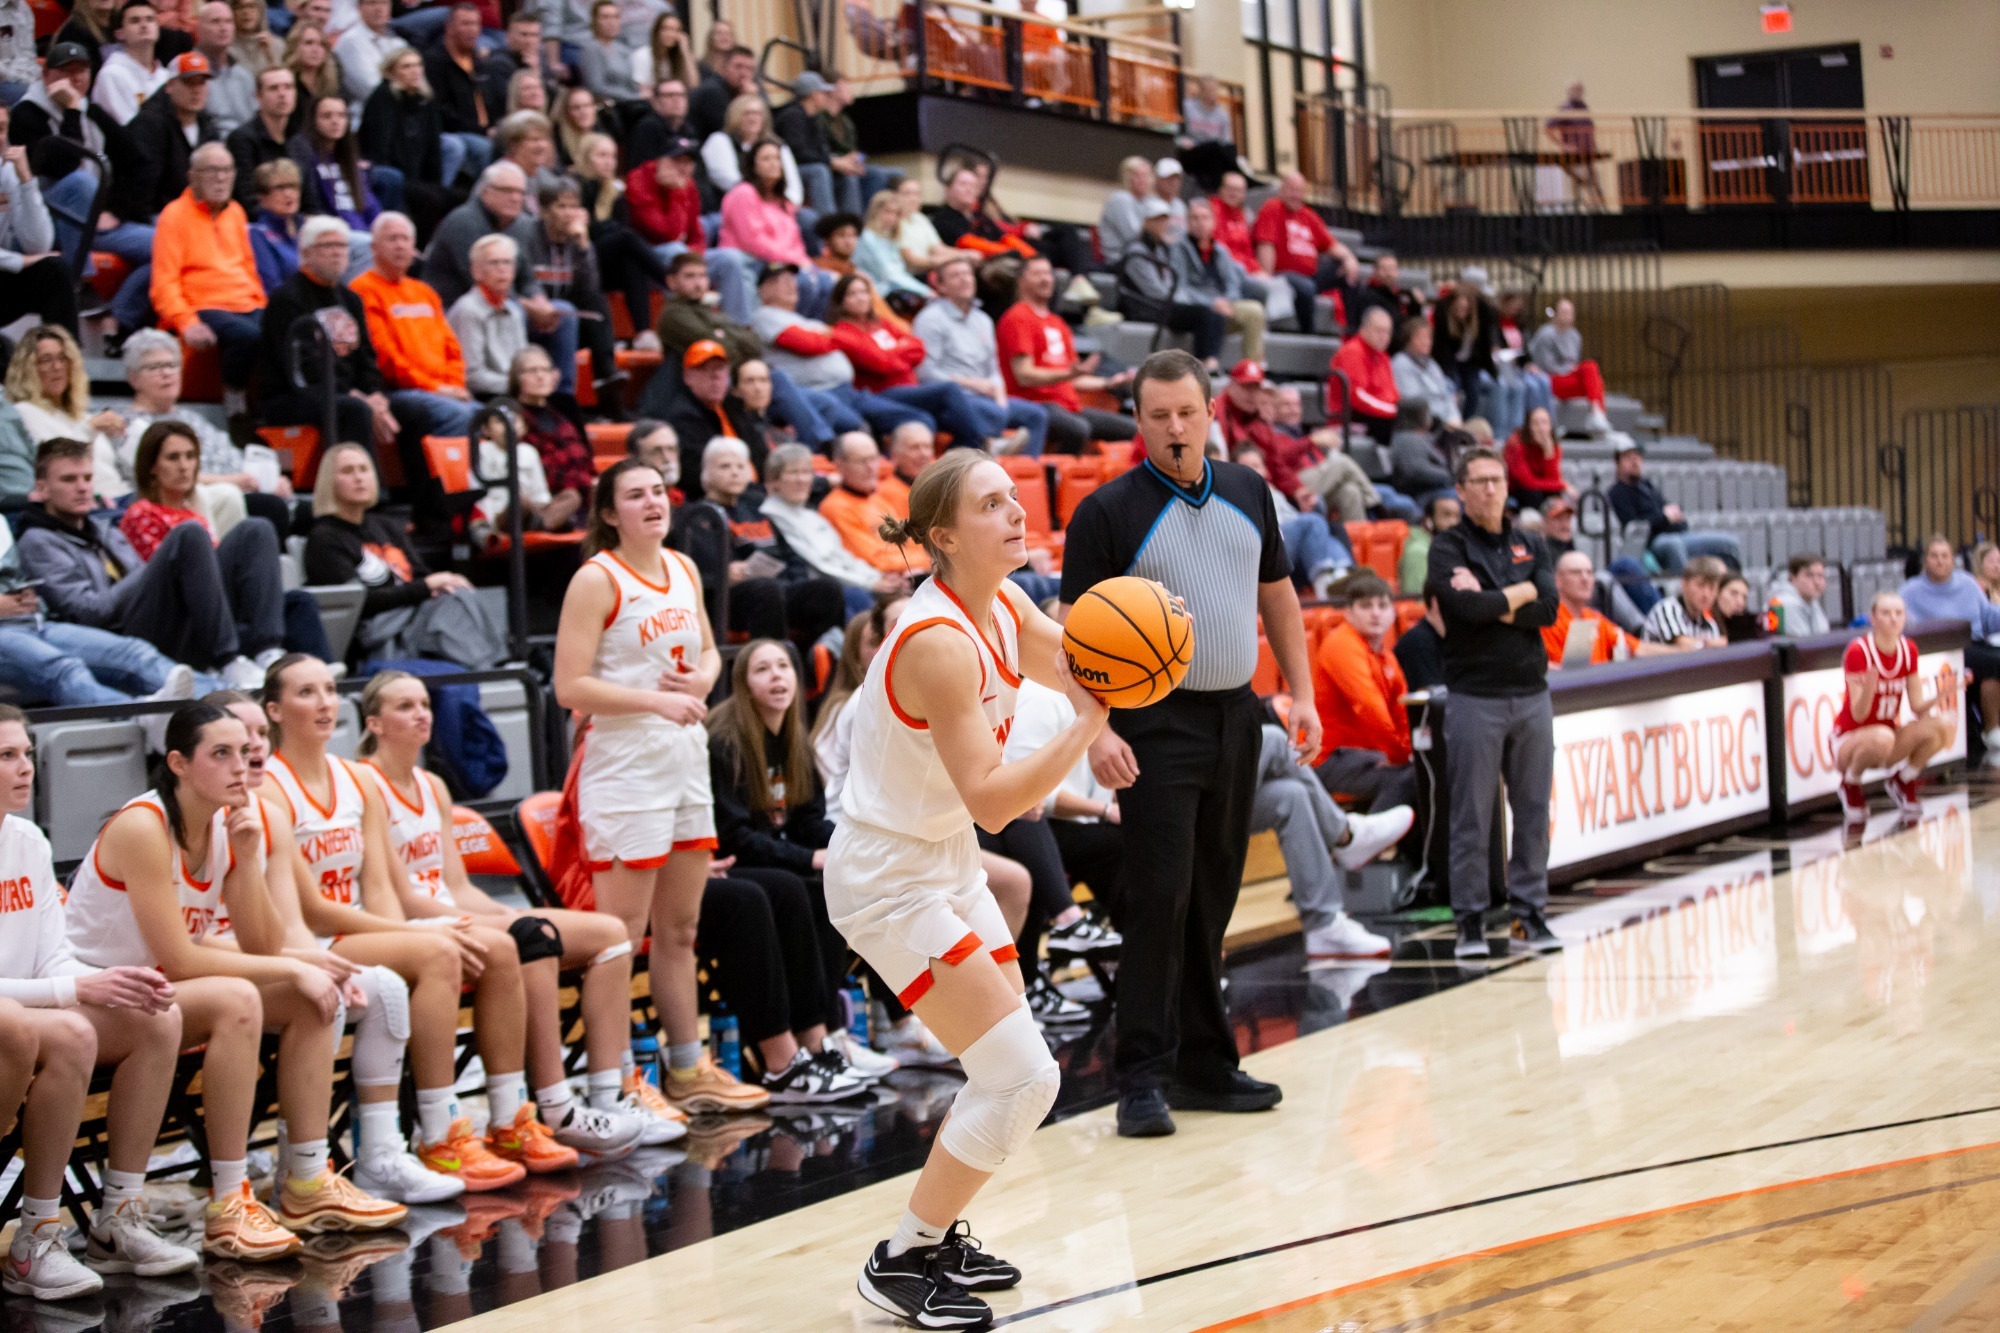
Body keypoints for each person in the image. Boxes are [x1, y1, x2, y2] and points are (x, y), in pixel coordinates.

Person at [826, 448, 1094, 1325]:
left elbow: (1086, 657)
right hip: (889, 876)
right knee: (1022, 1076)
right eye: (992, 504)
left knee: (1006, 1062)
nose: (1017, 514)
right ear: (943, 535)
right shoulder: (938, 641)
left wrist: (1154, 636)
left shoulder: (1004, 602)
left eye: (1017, 499)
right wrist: (1091, 726)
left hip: (941, 860)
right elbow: (995, 801)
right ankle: (899, 1259)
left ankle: (934, 1238)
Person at [1060, 349, 1313, 1138]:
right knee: (1160, 897)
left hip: (1236, 714)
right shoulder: (1105, 513)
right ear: (1136, 422)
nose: (1175, 427)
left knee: (1213, 897)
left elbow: (1279, 594)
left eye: (1187, 412)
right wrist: (1095, 730)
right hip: (1151, 723)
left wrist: (1299, 693)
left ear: (1211, 414)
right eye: (1159, 415)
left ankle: (1206, 1060)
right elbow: (1072, 642)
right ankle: (1139, 1073)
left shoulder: (1247, 490)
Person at [64, 702, 407, 1254]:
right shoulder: (143, 826)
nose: (238, 767)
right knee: (242, 998)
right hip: (94, 996)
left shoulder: (226, 825)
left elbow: (259, 944)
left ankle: (308, 1180)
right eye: (220, 754)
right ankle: (229, 1200)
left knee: (306, 997)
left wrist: (247, 861)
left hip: (154, 994)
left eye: (245, 754)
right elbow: (180, 958)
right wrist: (297, 962)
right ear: (177, 762)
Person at [355, 670, 670, 1150]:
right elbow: (396, 896)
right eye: (405, 706)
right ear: (374, 723)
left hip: (446, 911)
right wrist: (503, 923)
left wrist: (501, 914)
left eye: (424, 703)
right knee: (529, 936)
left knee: (610, 933)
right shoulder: (365, 783)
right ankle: (554, 1105)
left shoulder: (433, 785)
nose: (421, 714)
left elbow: (455, 885)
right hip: (407, 922)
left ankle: (611, 1093)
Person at [552, 459, 773, 1115]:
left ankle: (687, 1066)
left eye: (658, 491)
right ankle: (615, 1083)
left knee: (680, 928)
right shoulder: (597, 578)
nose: (652, 502)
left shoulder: (680, 567)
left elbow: (709, 651)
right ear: (609, 512)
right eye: (634, 494)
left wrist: (704, 678)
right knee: (621, 934)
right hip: (623, 765)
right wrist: (652, 700)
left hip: (681, 757)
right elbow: (570, 686)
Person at [0, 704, 199, 1297]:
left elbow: (53, 958)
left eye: (27, 755)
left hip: (22, 1012)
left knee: (156, 1016)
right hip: (14, 1020)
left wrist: (103, 981)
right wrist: (74, 989)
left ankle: (111, 1220)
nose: (24, 768)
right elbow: (59, 984)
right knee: (65, 1031)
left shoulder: (27, 839)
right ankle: (37, 1227)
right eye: (6, 756)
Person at [701, 640, 878, 1100]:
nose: (777, 677)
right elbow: (734, 837)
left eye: (784, 666)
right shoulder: (725, 741)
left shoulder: (793, 739)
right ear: (742, 684)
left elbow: (806, 821)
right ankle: (795, 1050)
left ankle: (819, 1040)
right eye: (762, 669)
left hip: (769, 863)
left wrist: (848, 844)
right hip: (729, 865)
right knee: (790, 888)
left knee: (827, 885)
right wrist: (806, 857)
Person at [1428, 446, 1559, 961]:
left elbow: (1548, 609)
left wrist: (1497, 598)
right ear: (1460, 491)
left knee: (1532, 810)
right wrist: (1519, 593)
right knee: (1472, 817)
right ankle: (1470, 924)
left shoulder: (1532, 542)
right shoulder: (1447, 547)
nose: (1489, 488)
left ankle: (1530, 916)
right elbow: (1464, 608)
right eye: (1478, 481)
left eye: (1496, 479)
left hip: (1532, 694)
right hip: (1474, 697)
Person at [114, 329, 293, 528]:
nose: (166, 373)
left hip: (242, 489)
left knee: (308, 513)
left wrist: (270, 480)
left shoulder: (192, 417)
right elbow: (155, 477)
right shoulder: (125, 423)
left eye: (172, 365)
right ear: (133, 378)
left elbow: (235, 459)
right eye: (155, 367)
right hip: (193, 501)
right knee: (270, 507)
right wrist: (232, 481)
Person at [259, 216, 396, 453]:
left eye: (342, 246)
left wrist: (374, 394)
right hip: (292, 396)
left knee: (406, 409)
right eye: (327, 246)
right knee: (354, 409)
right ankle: (366, 488)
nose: (337, 252)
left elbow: (366, 357)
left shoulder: (351, 299)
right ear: (306, 253)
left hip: (342, 394)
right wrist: (354, 395)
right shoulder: (287, 299)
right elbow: (301, 370)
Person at [351, 211, 479, 456]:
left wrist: (454, 385)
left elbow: (451, 347)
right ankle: (451, 491)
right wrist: (435, 388)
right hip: (398, 391)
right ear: (374, 246)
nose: (400, 245)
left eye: (405, 239)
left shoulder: (424, 292)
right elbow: (384, 357)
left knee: (498, 417)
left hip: (440, 389)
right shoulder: (363, 290)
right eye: (392, 239)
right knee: (457, 415)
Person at [828, 273, 994, 448]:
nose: (860, 298)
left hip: (909, 390)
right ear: (841, 302)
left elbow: (919, 348)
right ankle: (981, 442)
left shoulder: (882, 323)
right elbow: (881, 363)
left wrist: (893, 353)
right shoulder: (843, 332)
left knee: (951, 416)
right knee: (949, 390)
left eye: (864, 292)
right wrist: (901, 351)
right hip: (882, 394)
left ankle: (966, 450)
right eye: (852, 294)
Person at [1833, 591, 1954, 822]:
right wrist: (1870, 686)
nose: (1893, 619)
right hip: (1849, 739)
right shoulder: (1858, 651)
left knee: (1943, 725)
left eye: (1899, 613)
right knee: (1883, 736)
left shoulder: (1908, 649)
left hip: (1886, 737)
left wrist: (1943, 694)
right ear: (1873, 618)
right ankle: (1850, 782)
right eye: (1886, 613)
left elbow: (1918, 707)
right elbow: (1858, 715)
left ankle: (1904, 780)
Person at [911, 255, 1049, 457]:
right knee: (991, 412)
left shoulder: (983, 320)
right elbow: (926, 373)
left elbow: (992, 368)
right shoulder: (930, 319)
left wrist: (999, 393)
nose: (965, 279)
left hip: (987, 397)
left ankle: (1021, 475)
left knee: (1037, 416)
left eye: (968, 274)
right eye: (955, 276)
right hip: (953, 399)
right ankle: (986, 452)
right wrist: (974, 385)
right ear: (941, 286)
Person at [998, 255, 1137, 453]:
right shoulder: (1017, 316)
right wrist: (1070, 374)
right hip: (1035, 405)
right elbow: (1024, 375)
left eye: (1048, 273)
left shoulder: (1058, 323)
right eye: (1037, 274)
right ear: (1021, 281)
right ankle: (1055, 481)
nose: (1045, 279)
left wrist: (1109, 382)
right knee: (1077, 429)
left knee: (1134, 429)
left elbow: (1073, 379)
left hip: (1070, 407)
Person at [1310, 572, 1421, 816]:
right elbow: (1369, 708)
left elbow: (1401, 712)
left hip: (1365, 755)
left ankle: (1408, 852)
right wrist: (1402, 755)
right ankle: (1364, 851)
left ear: (1393, 613)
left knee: (1424, 771)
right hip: (1328, 758)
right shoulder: (1341, 645)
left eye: (1382, 605)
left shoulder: (1386, 657)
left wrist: (1412, 750)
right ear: (1348, 612)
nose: (1375, 613)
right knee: (1409, 776)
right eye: (1365, 606)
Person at [1900, 533, 2000, 756]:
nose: (1940, 561)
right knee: (1995, 662)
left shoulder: (1967, 584)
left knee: (1992, 663)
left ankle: (1992, 727)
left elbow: (1989, 617)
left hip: (1973, 641)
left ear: (1952, 559)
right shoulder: (1910, 591)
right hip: (1940, 650)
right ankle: (1991, 729)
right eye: (1934, 556)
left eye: (1945, 555)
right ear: (1926, 560)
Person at [9, 327, 129, 505]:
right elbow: (60, 462)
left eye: (62, 358)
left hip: (122, 496)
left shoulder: (82, 416)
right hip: (92, 506)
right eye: (45, 360)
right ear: (28, 369)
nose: (57, 367)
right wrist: (91, 429)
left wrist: (118, 437)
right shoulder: (25, 412)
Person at [1116, 197, 1226, 368]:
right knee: (1204, 314)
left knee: (1214, 315)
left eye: (1165, 219)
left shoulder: (1160, 249)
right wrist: (1177, 297)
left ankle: (1210, 361)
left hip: (1163, 304)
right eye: (1158, 219)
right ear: (1146, 222)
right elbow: (1154, 290)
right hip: (1145, 306)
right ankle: (1204, 364)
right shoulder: (1136, 251)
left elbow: (1167, 284)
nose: (1163, 224)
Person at [1607, 438, 1743, 572]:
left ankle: (1730, 587)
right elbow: (1636, 527)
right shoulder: (1618, 492)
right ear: (1618, 462)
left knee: (1729, 542)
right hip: (1652, 543)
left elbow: (1667, 508)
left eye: (1637, 456)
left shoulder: (1646, 485)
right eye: (1629, 457)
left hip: (1678, 534)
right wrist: (1665, 518)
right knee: (1674, 545)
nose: (1635, 461)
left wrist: (1672, 515)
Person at [126, 52, 223, 227]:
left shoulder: (209, 126)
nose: (196, 90)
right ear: (170, 85)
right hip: (158, 217)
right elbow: (141, 186)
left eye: (201, 82)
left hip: (201, 214)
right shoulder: (149, 124)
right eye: (189, 82)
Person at [1252, 170, 1357, 327]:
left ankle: (1350, 329)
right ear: (1282, 190)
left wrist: (1350, 259)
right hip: (1283, 274)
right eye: (1292, 190)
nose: (1296, 195)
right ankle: (1309, 331)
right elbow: (1266, 244)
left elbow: (1332, 245)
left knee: (1346, 272)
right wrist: (1268, 278)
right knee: (1306, 287)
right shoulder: (1272, 208)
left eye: (1300, 191)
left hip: (1310, 275)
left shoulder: (1308, 215)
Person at [1170, 196, 1266, 366]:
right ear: (1187, 222)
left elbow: (1233, 283)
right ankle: (1210, 364)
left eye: (1205, 218)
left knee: (1255, 310)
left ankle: (1252, 367)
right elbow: (1181, 288)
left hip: (1224, 305)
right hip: (1197, 307)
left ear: (1213, 222)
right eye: (1195, 218)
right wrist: (1212, 302)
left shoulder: (1221, 250)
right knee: (1209, 315)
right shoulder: (1178, 249)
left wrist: (1227, 302)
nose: (1200, 223)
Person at [1543, 550, 1676, 666]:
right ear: (1557, 580)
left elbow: (1638, 648)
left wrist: (1683, 651)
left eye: (1589, 572)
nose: (1585, 578)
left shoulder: (1593, 617)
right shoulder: (1547, 620)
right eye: (1576, 573)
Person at [449, 231, 529, 397]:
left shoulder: (514, 310)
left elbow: (523, 364)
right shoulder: (467, 310)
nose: (502, 269)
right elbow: (472, 376)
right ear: (476, 271)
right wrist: (520, 385)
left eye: (507, 262)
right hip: (482, 396)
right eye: (494, 263)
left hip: (514, 390)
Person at [1527, 298, 1610, 436]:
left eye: (1570, 312)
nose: (1567, 316)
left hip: (1567, 377)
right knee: (1590, 368)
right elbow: (1547, 365)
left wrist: (1573, 371)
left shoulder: (1575, 335)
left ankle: (1597, 415)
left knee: (1594, 377)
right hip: (1550, 379)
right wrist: (1572, 371)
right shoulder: (1546, 334)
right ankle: (1597, 415)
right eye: (1563, 312)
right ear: (1555, 314)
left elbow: (1573, 361)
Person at [224, 65, 297, 207]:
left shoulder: (299, 142)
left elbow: (310, 201)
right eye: (273, 88)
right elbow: (245, 197)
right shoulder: (241, 139)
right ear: (258, 96)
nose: (282, 94)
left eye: (288, 87)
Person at [1328, 305, 1398, 444]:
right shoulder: (1352, 352)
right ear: (1364, 328)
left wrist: (1398, 409)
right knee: (1400, 427)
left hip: (1379, 415)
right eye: (1379, 331)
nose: (1384, 337)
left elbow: (1392, 393)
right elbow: (1357, 397)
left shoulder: (1383, 357)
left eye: (1387, 332)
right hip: (1352, 416)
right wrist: (1393, 411)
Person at [1640, 554, 1727, 649]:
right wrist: (1713, 644)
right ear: (1684, 584)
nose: (1706, 594)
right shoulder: (1667, 608)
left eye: (1711, 588)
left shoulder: (1710, 626)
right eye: (1700, 585)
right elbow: (1682, 645)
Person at [1392, 317, 1460, 428]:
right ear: (1408, 339)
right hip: (1424, 424)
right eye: (1420, 337)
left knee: (1481, 428)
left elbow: (1446, 395)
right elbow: (1414, 402)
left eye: (1428, 338)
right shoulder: (1401, 363)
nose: (1426, 342)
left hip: (1448, 421)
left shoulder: (1432, 364)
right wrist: (1445, 422)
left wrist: (1455, 418)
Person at [335, 0, 405, 105]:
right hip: (364, 114)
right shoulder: (350, 41)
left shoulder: (397, 41)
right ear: (359, 7)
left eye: (384, 3)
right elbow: (369, 88)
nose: (379, 8)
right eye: (372, 3)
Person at [1503, 405, 1570, 511]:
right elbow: (1526, 482)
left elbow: (1553, 479)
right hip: (1515, 492)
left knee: (1555, 494)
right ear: (1528, 426)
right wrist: (1563, 484)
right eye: (1535, 423)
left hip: (1539, 490)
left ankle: (1553, 524)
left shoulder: (1553, 447)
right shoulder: (1515, 444)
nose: (1541, 428)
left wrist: (1548, 454)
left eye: (1544, 423)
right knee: (1534, 494)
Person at [1096, 155, 1152, 267]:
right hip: (1118, 260)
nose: (1143, 180)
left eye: (1146, 176)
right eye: (1137, 176)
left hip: (1137, 259)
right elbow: (1133, 235)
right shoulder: (1120, 199)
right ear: (1127, 178)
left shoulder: (1145, 202)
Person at [1401, 492, 1458, 596]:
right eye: (1446, 515)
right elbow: (1416, 601)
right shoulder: (1418, 553)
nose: (1454, 523)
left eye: (1457, 516)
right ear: (1428, 521)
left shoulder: (1450, 549)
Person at [1772, 551, 1832, 636]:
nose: (1817, 582)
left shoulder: (1811, 601)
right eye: (1809, 575)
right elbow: (1806, 644)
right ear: (1793, 578)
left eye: (1820, 576)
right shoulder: (1786, 604)